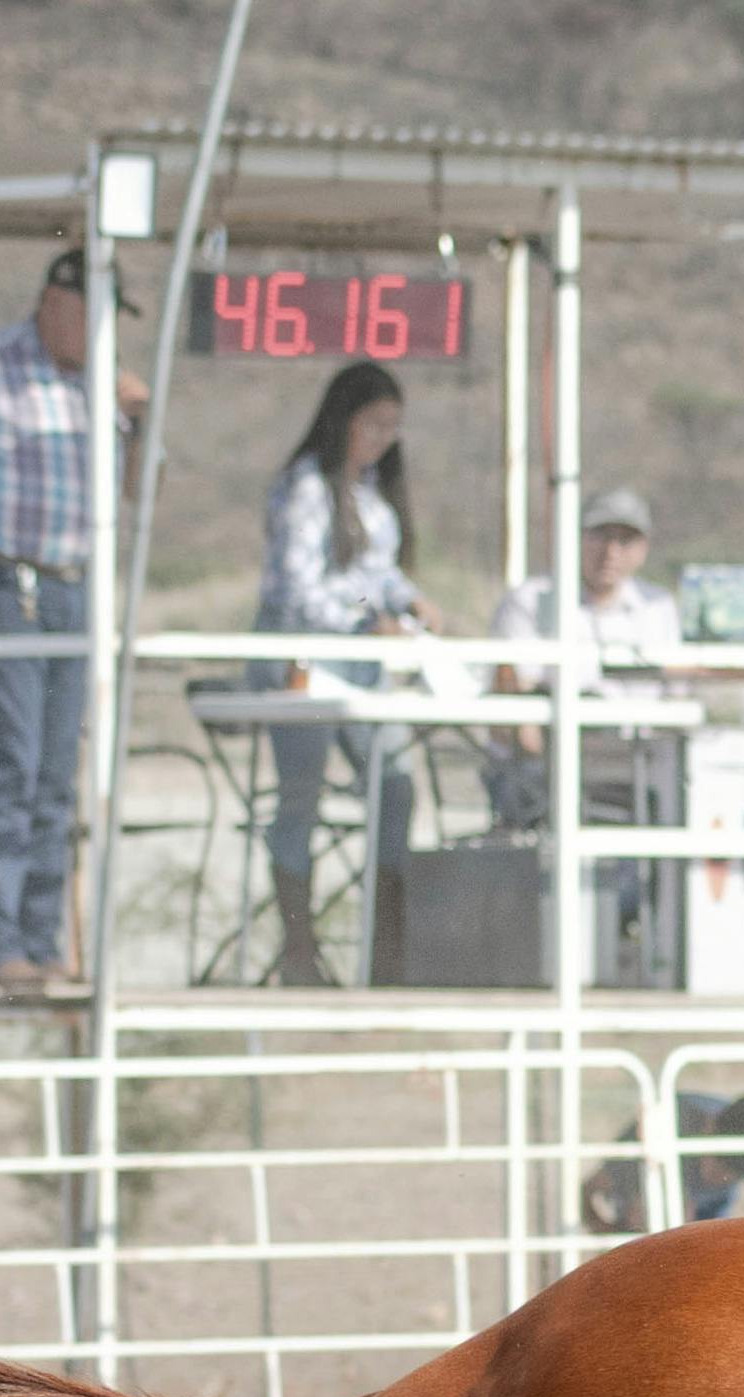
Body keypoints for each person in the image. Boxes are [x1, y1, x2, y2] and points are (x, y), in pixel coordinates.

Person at [0, 246, 146, 996]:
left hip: (73, 589)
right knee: (11, 764)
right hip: (1, 581)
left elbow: (139, 491)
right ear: (55, 304)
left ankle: (44, 944)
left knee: (55, 773)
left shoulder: (102, 386)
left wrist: (141, 419)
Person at [253, 360, 438, 987]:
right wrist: (367, 620)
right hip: (305, 657)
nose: (385, 439)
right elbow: (307, 591)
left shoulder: (372, 497)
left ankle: (387, 953)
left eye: (394, 428)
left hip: (363, 665)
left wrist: (408, 602)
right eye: (374, 424)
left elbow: (371, 577)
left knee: (396, 783)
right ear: (344, 421)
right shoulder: (307, 488)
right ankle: (298, 950)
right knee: (300, 793)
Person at [482, 487, 682, 835]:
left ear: (643, 549)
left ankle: (654, 884)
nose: (610, 552)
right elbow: (514, 712)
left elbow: (676, 699)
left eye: (625, 541)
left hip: (633, 762)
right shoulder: (531, 601)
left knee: (689, 784)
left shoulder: (658, 608)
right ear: (576, 538)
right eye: (600, 537)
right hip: (548, 764)